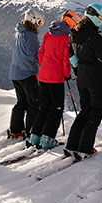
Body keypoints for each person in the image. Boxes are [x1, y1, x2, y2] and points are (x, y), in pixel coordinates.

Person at [65, 4, 102, 161]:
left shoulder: (74, 34)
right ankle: (85, 148)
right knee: (96, 111)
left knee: (85, 111)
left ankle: (72, 144)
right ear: (95, 17)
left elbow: (72, 57)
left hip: (82, 78)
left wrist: (78, 70)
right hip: (96, 78)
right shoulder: (94, 37)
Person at [30, 18, 72, 151]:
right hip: (56, 78)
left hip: (43, 75)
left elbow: (40, 54)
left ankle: (35, 136)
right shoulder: (65, 39)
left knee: (43, 107)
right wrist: (67, 74)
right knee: (56, 108)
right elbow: (66, 60)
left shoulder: (48, 34)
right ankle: (48, 138)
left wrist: (45, 65)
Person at [8, 9, 44, 141]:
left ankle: (16, 130)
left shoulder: (18, 32)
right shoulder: (30, 35)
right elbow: (33, 55)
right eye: (39, 22)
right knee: (33, 104)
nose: (39, 25)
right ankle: (31, 132)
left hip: (15, 73)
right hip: (27, 74)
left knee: (21, 102)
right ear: (33, 19)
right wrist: (44, 63)